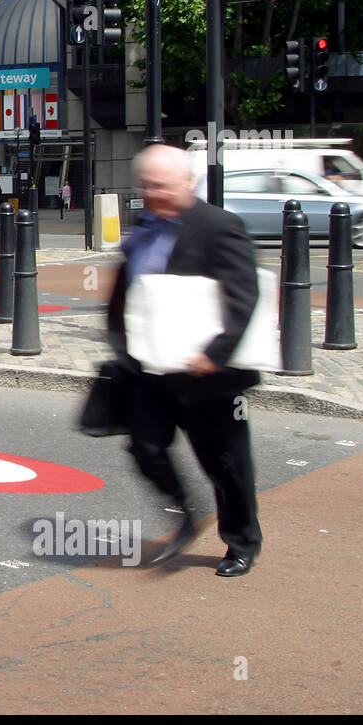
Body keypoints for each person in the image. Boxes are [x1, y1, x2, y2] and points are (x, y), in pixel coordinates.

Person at [106, 144, 262, 578]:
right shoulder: (144, 226)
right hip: (151, 368)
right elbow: (125, 287)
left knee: (226, 464)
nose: (153, 193)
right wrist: (119, 339)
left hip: (208, 374)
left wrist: (214, 355)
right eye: (148, 185)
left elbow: (244, 296)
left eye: (163, 186)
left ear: (187, 183)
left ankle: (242, 542)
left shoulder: (219, 226)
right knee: (146, 446)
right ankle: (185, 516)